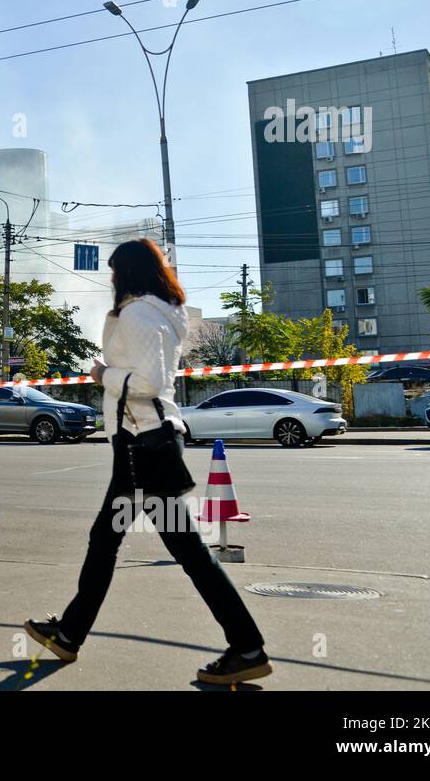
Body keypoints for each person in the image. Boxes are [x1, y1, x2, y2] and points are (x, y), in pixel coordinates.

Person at [24, 239, 271, 686]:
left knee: (144, 547)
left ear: (130, 273)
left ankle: (247, 647)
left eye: (116, 272)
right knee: (139, 545)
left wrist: (103, 374)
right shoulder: (158, 312)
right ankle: (70, 634)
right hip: (146, 443)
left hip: (143, 444)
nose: (112, 280)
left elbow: (149, 382)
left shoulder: (139, 313)